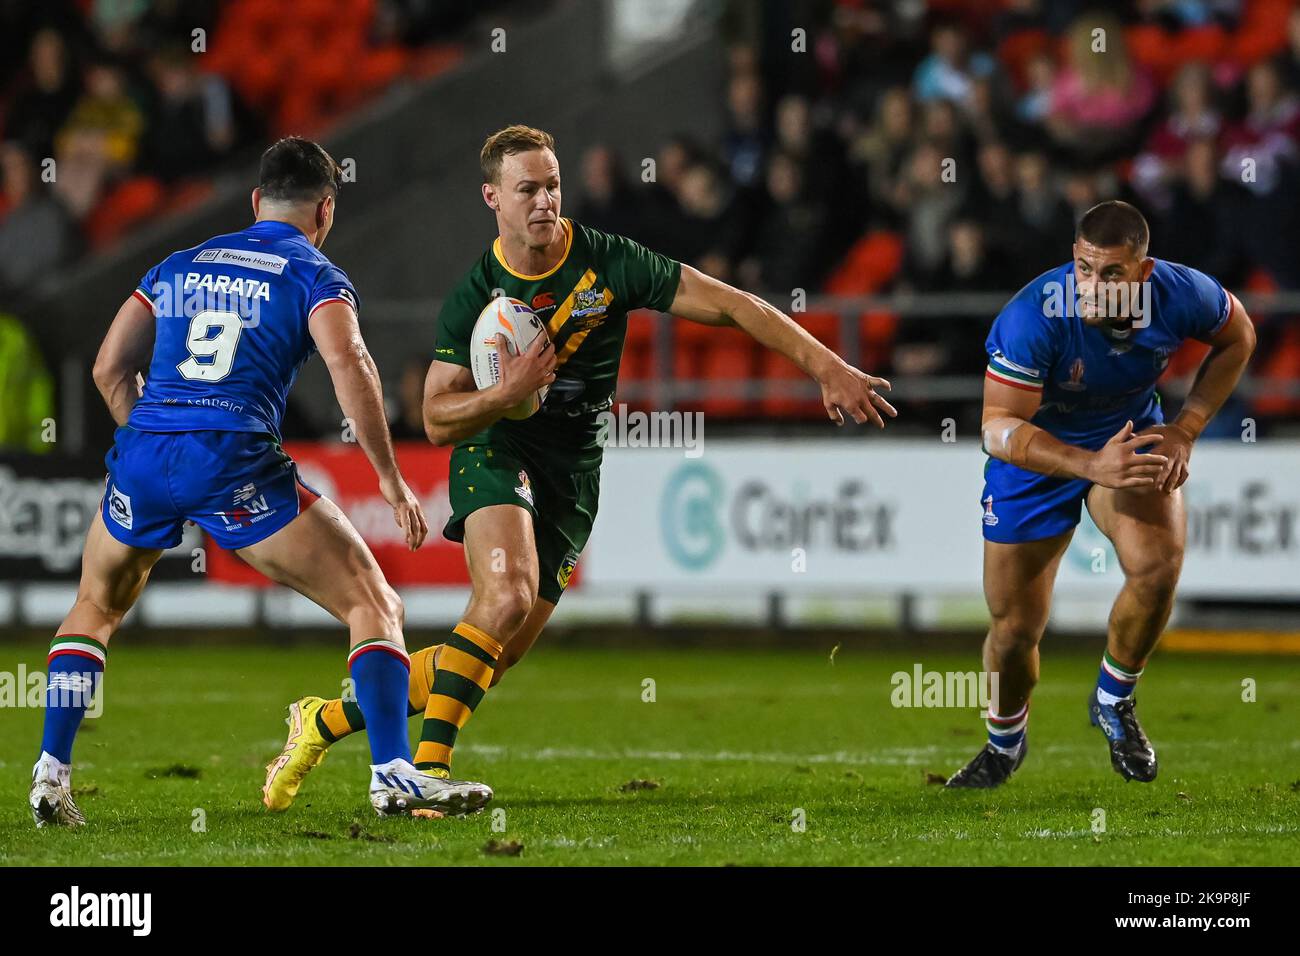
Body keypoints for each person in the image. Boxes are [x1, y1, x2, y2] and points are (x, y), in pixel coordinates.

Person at [262, 124, 896, 808]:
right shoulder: (476, 293)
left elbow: (731, 304)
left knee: (497, 654)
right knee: (505, 597)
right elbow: (438, 418)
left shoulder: (608, 263)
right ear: (492, 198)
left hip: (573, 472)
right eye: (527, 190)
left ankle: (324, 719)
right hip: (497, 448)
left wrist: (825, 366)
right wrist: (504, 394)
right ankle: (426, 776)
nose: (544, 201)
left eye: (553, 186)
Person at [29, 137, 491, 827]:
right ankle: (394, 774)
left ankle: (50, 773)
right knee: (373, 603)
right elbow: (350, 362)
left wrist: (155, 446)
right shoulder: (313, 272)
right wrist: (391, 480)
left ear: (255, 201)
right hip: (233, 457)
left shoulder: (178, 264)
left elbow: (107, 368)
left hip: (147, 452)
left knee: (93, 607)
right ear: (325, 210)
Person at [946, 201, 1255, 788]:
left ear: (1143, 272)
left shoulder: (1180, 293)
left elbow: (1240, 336)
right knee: (1014, 630)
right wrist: (1091, 465)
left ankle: (1113, 700)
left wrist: (1186, 429)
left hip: (1128, 435)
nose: (1092, 285)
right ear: (1073, 259)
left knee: (1157, 567)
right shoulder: (1033, 316)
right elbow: (996, 428)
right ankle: (1004, 744)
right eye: (1085, 269)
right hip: (1039, 457)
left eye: (1112, 273)